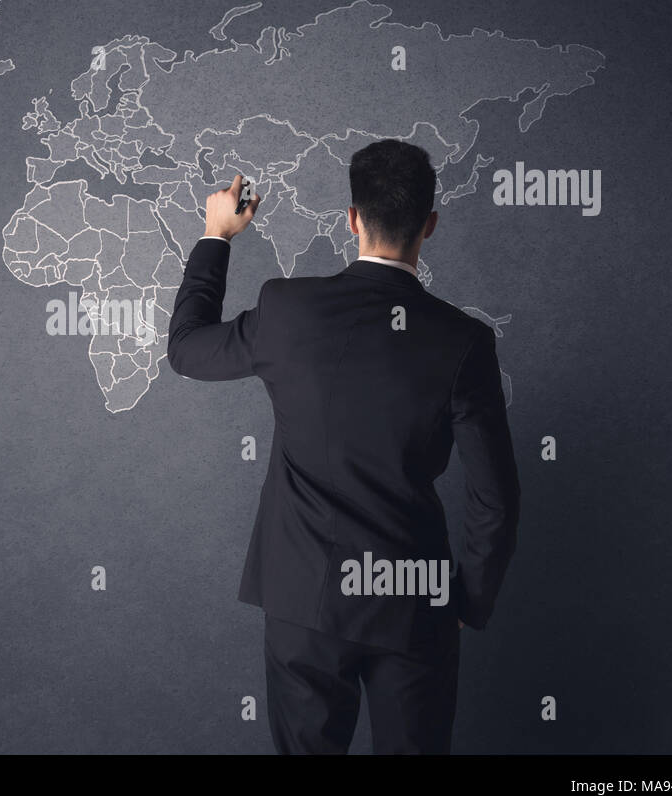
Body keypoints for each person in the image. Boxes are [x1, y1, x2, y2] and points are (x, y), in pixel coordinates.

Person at [167, 139, 521, 754]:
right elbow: (496, 497)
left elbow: (187, 348)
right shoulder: (463, 342)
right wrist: (468, 600)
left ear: (352, 217)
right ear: (430, 226)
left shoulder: (287, 310)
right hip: (414, 601)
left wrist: (217, 234)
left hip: (305, 601)